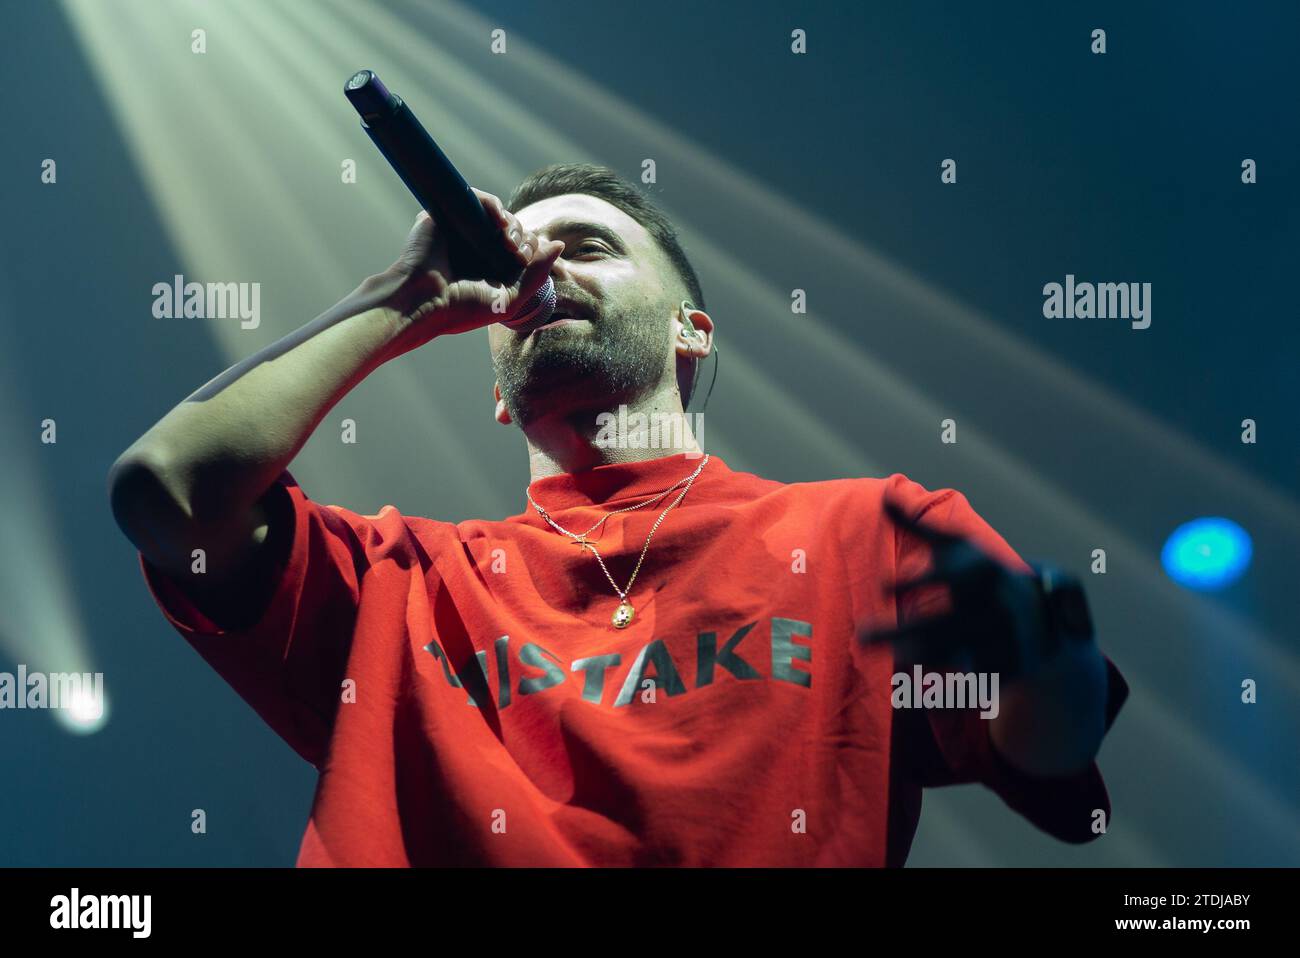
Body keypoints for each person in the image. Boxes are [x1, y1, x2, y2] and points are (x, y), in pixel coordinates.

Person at [108, 163, 1126, 867]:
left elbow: (1047, 756)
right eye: (516, 267)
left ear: (691, 330)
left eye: (584, 247)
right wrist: (399, 298)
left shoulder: (870, 530)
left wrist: (1049, 666)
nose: (540, 276)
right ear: (499, 392)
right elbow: (166, 489)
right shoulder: (398, 576)